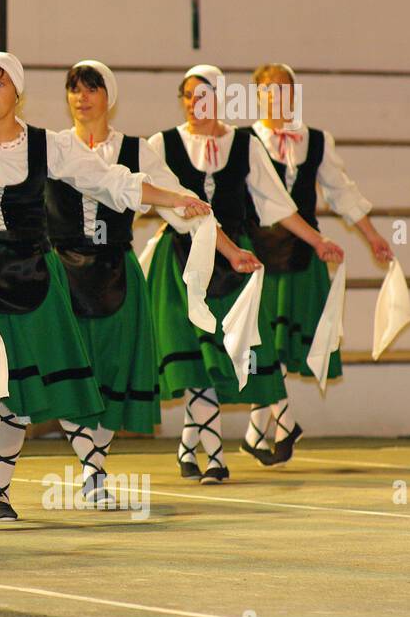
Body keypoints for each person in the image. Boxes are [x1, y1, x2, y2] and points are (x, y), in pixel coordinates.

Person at [0, 53, 208, 520]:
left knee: (20, 387)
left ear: (17, 93)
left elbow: (110, 182)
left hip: (30, 275)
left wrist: (175, 198)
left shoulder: (47, 146)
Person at [48, 61, 249, 501]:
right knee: (63, 374)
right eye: (73, 90)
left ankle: (93, 466)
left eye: (91, 89)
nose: (81, 98)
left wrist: (231, 251)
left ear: (109, 96)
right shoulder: (50, 147)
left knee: (110, 377)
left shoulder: (139, 151)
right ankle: (92, 467)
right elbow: (13, 201)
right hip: (59, 277)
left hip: (116, 274)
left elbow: (185, 208)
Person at [146, 65, 344, 484]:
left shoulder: (244, 145)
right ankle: (214, 456)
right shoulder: (162, 144)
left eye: (203, 96)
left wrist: (316, 241)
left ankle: (190, 448)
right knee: (197, 355)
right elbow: (140, 195)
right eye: (187, 96)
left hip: (231, 262)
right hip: (181, 260)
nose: (194, 105)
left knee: (223, 352)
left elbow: (278, 205)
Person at [239, 62, 393, 466]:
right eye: (268, 91)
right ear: (258, 96)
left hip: (301, 254)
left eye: (284, 90)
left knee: (280, 349)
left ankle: (257, 433)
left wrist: (373, 236)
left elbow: (342, 193)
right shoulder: (244, 141)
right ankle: (283, 423)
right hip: (256, 254)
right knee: (260, 345)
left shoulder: (317, 141)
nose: (277, 98)